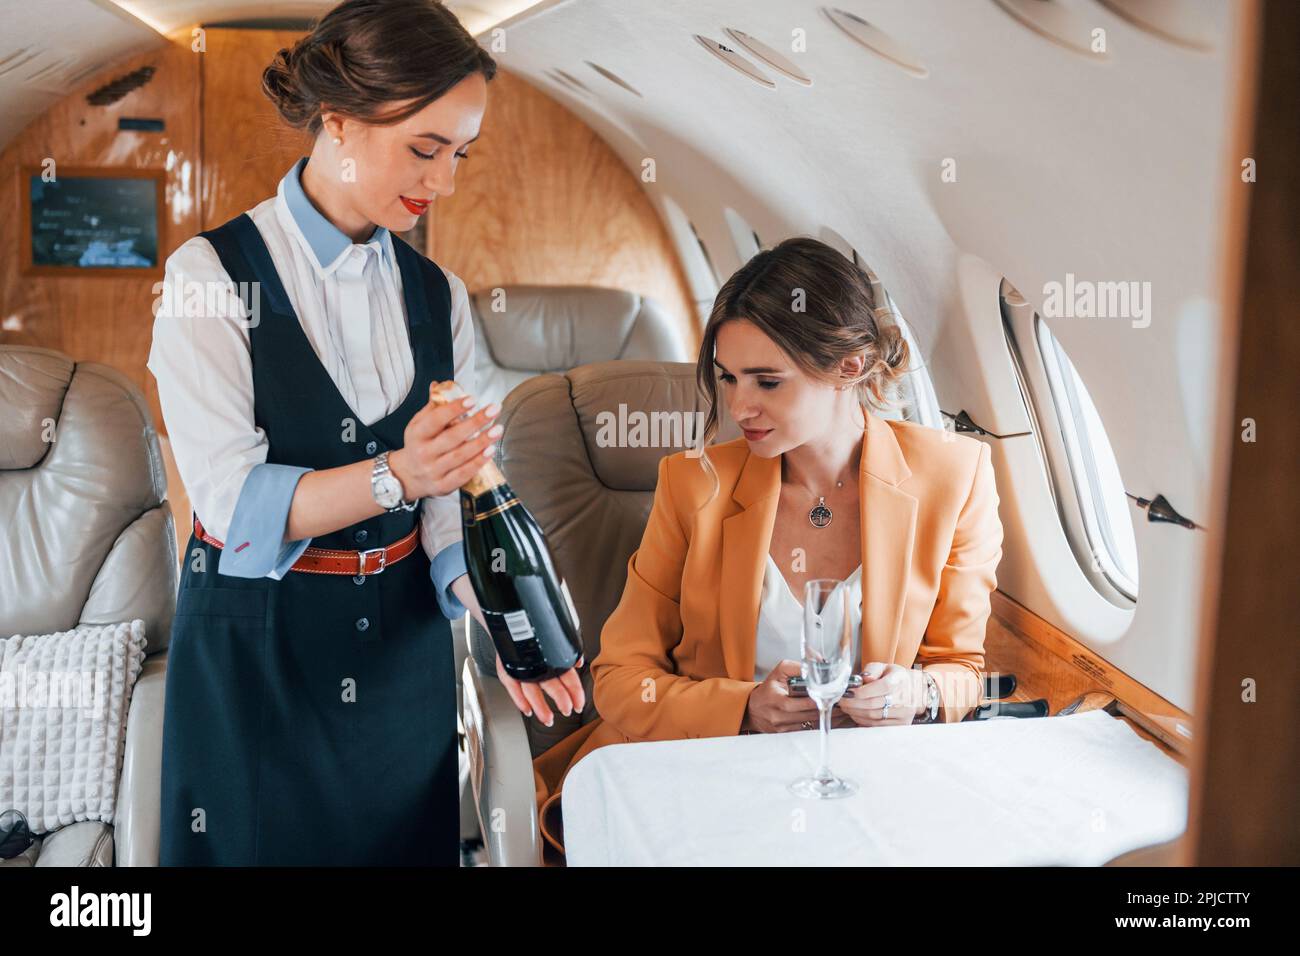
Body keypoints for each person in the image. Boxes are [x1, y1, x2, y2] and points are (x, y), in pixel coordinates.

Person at [148, 0, 582, 866]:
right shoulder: (210, 277)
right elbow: (232, 506)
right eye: (425, 148)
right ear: (338, 122)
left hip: (400, 652)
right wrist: (397, 473)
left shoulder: (439, 295)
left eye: (460, 153)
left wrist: (499, 616)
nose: (445, 182)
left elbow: (455, 501)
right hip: (257, 649)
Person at [531, 237, 1004, 859]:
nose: (739, 405)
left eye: (767, 381)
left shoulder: (955, 476)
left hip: (861, 783)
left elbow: (967, 673)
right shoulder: (692, 483)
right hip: (702, 772)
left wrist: (918, 695)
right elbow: (620, 680)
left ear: (850, 367)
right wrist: (743, 708)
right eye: (728, 378)